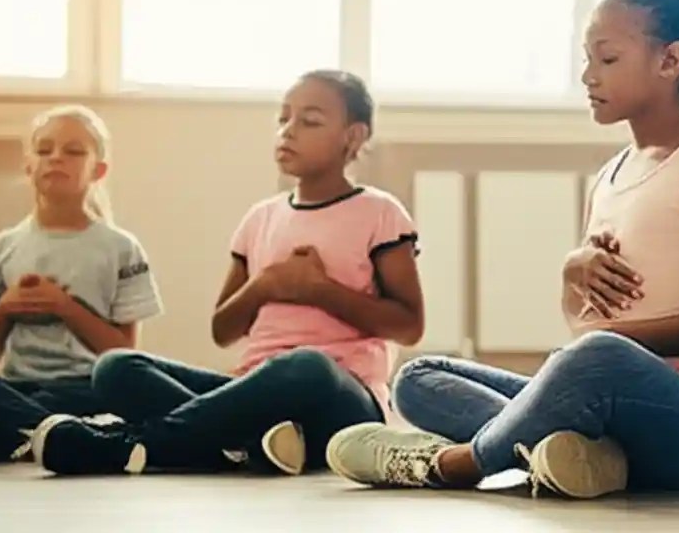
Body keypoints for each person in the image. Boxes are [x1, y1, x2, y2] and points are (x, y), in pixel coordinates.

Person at [325, 0, 679, 499]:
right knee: (419, 375)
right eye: (587, 59)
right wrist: (572, 273)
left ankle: (457, 463)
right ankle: (579, 457)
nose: (588, 76)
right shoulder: (610, 176)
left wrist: (613, 344)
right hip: (607, 404)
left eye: (606, 59)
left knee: (595, 358)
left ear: (670, 60)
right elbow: (585, 325)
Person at [29, 70, 426, 476]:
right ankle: (244, 443)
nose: (288, 132)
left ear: (353, 137)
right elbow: (223, 329)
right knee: (116, 367)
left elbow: (409, 326)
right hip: (248, 390)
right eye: (283, 119)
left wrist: (320, 290)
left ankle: (131, 447)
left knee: (306, 365)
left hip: (341, 398)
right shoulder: (260, 218)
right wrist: (265, 285)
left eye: (309, 122)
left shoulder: (380, 213)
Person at [0, 105, 161, 462]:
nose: (56, 159)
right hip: (14, 386)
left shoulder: (120, 248)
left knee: (84, 398)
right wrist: (6, 308)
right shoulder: (2, 247)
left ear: (98, 170)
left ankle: (19, 431)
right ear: (28, 166)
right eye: (44, 150)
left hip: (85, 387)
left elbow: (125, 353)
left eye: (73, 151)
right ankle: (54, 431)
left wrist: (63, 306)